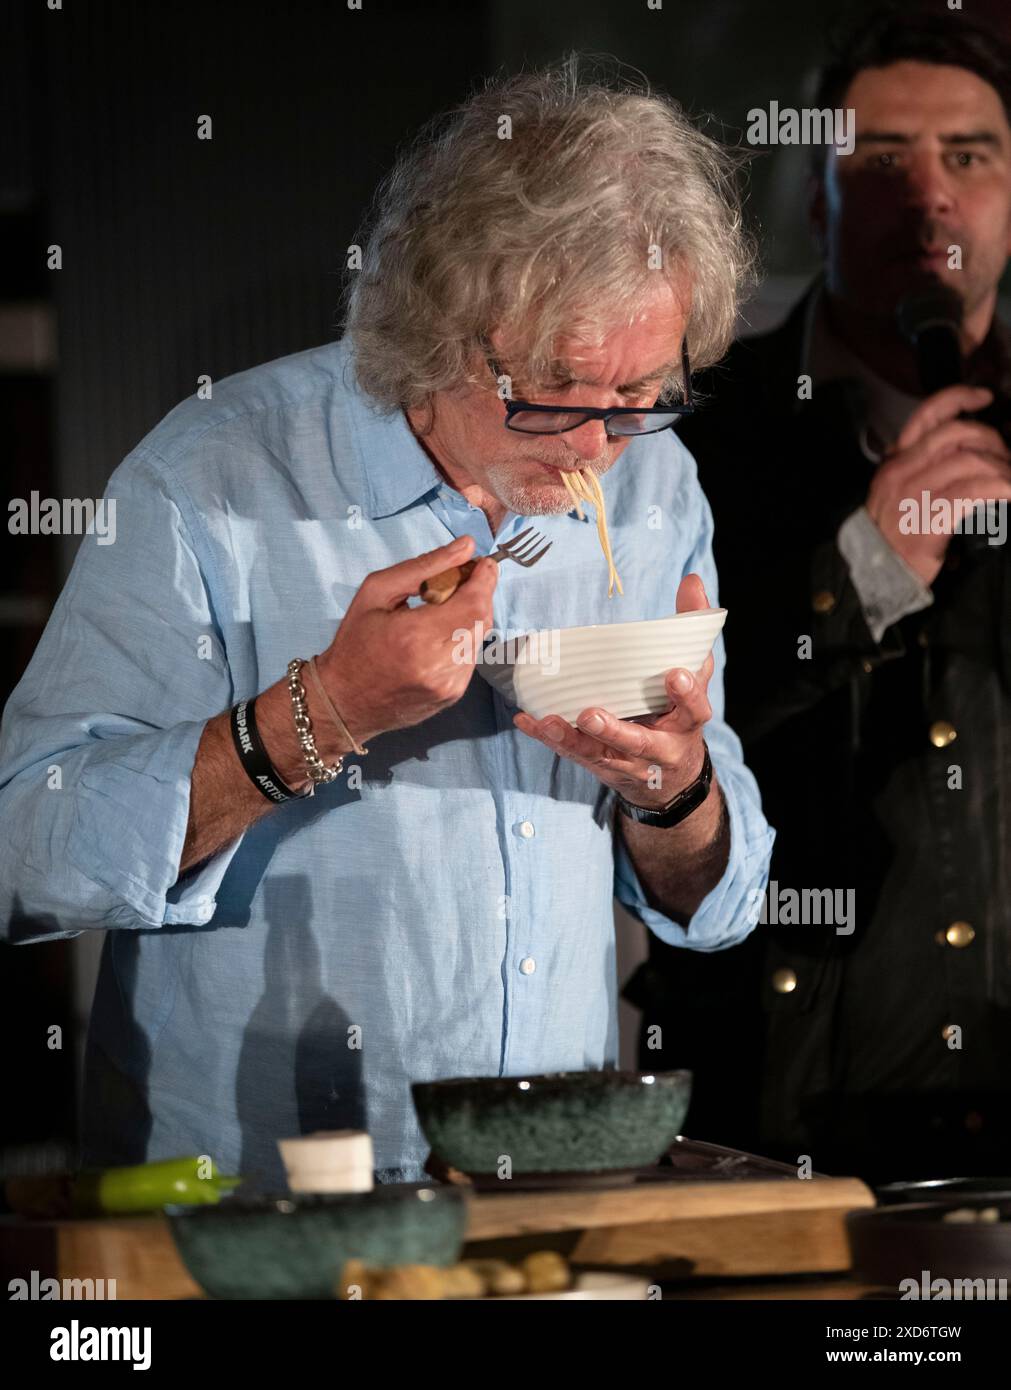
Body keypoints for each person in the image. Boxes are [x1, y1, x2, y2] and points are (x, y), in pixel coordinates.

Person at [0, 57, 773, 1186]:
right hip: (252, 1208)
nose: (601, 444)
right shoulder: (211, 478)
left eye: (645, 393)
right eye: (560, 390)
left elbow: (722, 897)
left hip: (545, 1208)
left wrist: (677, 789)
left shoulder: (659, 490)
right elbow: (24, 852)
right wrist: (320, 713)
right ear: (445, 322)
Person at [628, 12, 1011, 1183]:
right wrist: (857, 578)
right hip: (766, 1112)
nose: (929, 197)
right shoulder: (682, 433)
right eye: (881, 161)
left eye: (973, 157)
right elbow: (642, 718)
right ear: (816, 206)